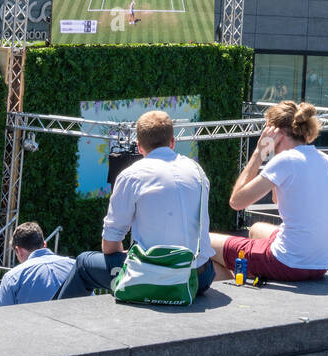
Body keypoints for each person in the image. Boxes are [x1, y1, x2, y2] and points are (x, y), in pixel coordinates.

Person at [57, 111, 215, 299]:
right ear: (172, 142)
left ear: (139, 147)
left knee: (83, 264)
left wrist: (130, 255)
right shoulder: (197, 171)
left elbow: (109, 244)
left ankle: (53, 325)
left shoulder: (131, 176)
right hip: (201, 277)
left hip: (156, 278)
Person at [210, 100, 328, 284]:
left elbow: (236, 202)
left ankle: (234, 280)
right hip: (320, 264)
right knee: (256, 229)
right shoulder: (326, 160)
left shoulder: (286, 160)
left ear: (276, 133)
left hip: (288, 263)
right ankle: (254, 272)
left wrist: (259, 153)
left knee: (205, 244)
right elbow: (277, 199)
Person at [0, 223, 75, 306]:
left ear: (18, 250)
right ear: (44, 244)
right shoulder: (75, 266)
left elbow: (2, 316)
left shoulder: (12, 278)